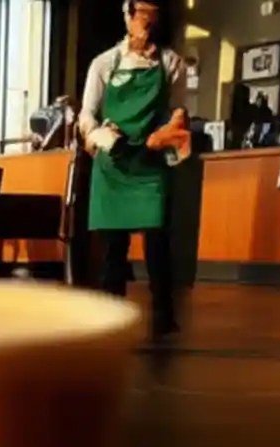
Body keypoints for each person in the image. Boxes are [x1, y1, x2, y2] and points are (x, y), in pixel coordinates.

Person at [79, 0, 190, 339]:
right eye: (141, 16)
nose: (147, 24)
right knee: (113, 249)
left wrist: (170, 130)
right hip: (113, 163)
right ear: (126, 17)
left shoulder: (171, 64)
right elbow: (87, 116)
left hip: (151, 162)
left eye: (152, 17)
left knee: (158, 243)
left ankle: (163, 317)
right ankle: (111, 318)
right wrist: (101, 137)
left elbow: (178, 110)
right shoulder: (104, 63)